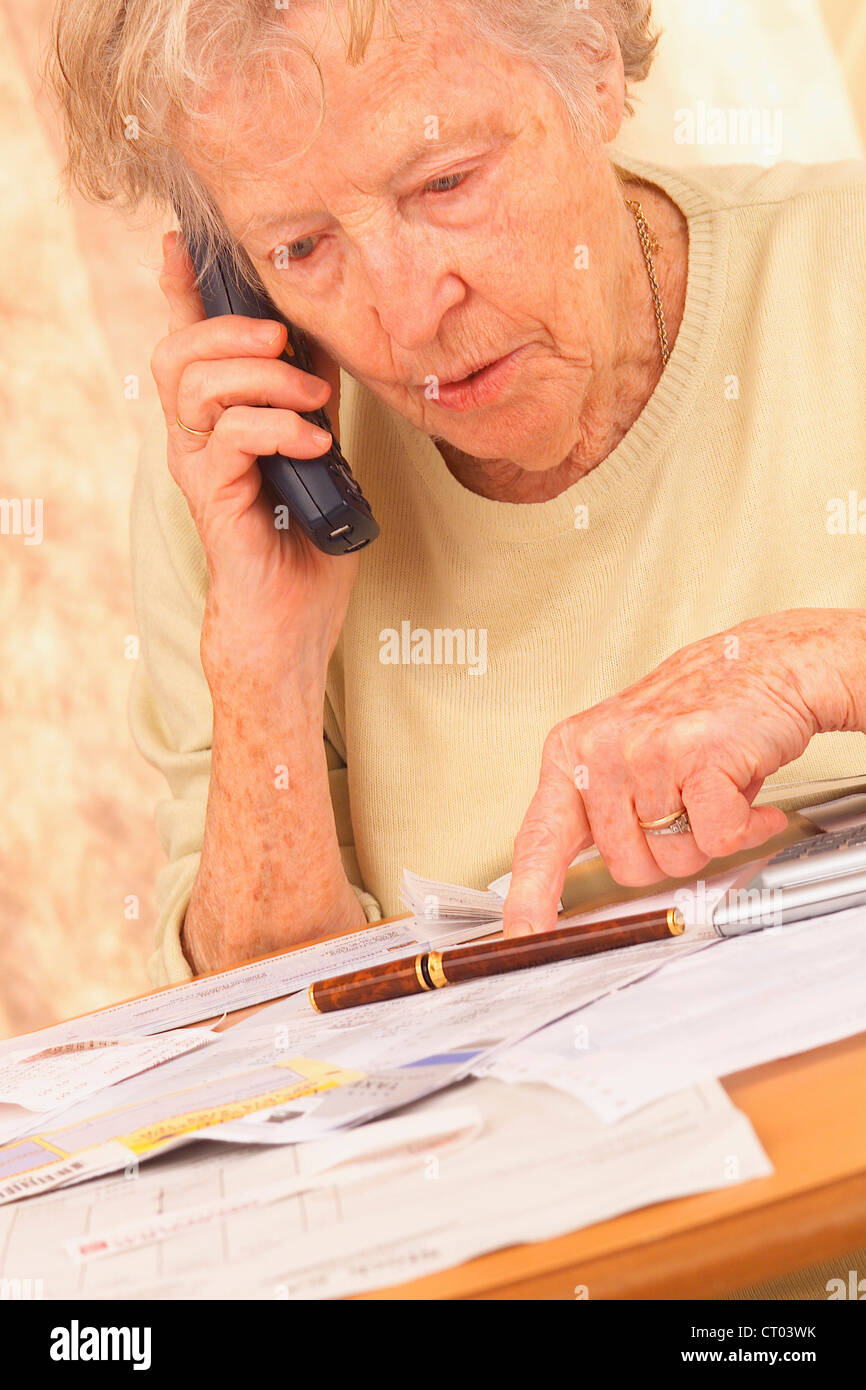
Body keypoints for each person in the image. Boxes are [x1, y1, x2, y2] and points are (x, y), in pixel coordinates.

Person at [46, 0, 866, 984]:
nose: (404, 311)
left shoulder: (840, 270)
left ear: (589, 64)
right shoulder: (243, 473)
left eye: (444, 182)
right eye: (300, 247)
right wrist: (266, 667)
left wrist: (818, 663)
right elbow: (268, 1041)